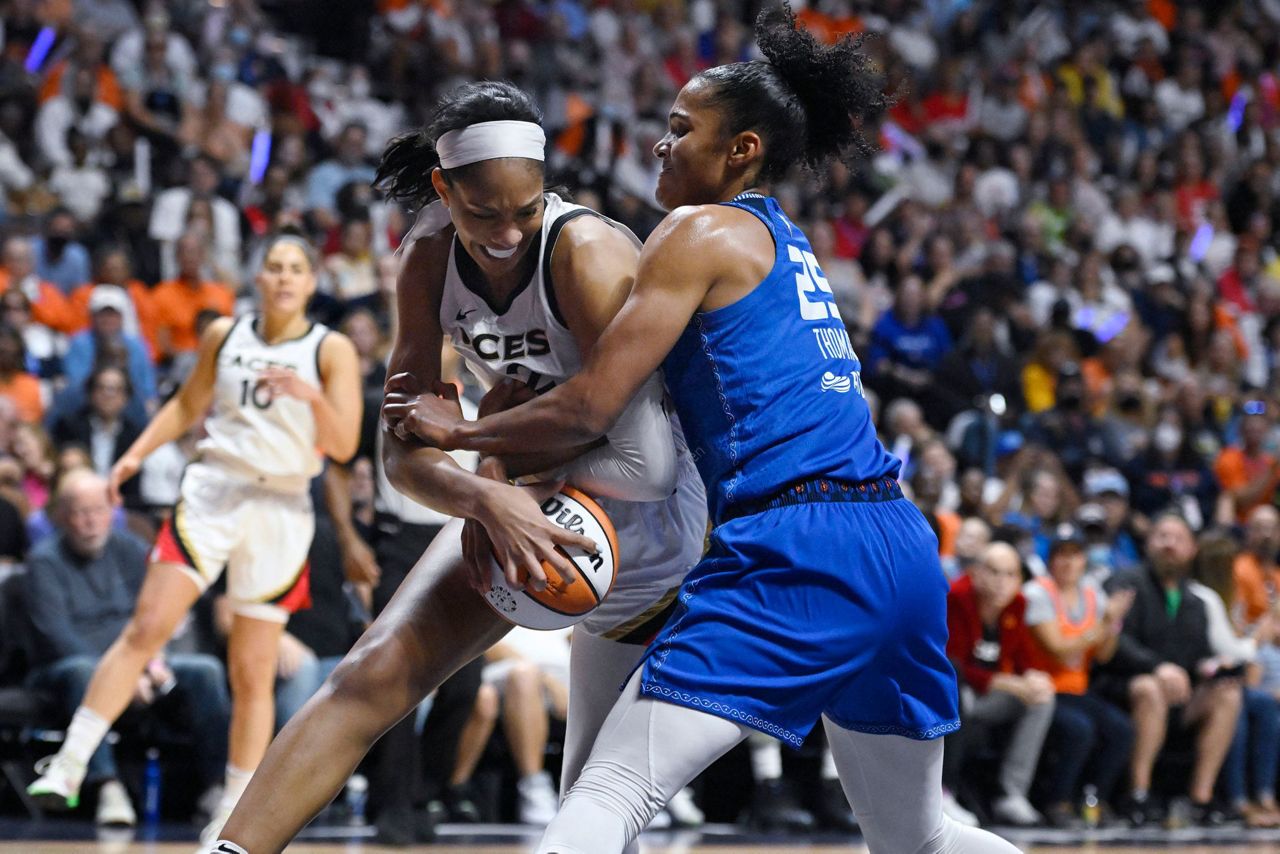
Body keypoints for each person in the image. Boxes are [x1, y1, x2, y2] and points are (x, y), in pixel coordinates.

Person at [387, 9, 1021, 854]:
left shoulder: (694, 230)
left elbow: (589, 410)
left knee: (607, 789)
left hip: (797, 540)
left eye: (681, 128)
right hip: (897, 543)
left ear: (741, 151)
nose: (660, 142)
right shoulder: (785, 241)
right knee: (923, 839)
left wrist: (455, 430)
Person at [207, 80, 707, 854]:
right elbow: (401, 454)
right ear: (443, 189)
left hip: (660, 524)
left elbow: (643, 464)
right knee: (373, 671)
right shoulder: (428, 254)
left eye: (525, 210)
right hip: (535, 502)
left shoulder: (586, 251)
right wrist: (485, 496)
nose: (506, 234)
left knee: (596, 799)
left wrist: (485, 438)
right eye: (483, 214)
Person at [26, 236, 363, 845]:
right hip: (214, 493)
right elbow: (186, 405)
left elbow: (342, 446)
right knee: (147, 626)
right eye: (274, 268)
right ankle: (71, 760)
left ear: (312, 283)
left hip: (281, 507)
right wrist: (133, 456)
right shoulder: (223, 336)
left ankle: (231, 816)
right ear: (256, 278)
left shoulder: (329, 349)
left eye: (296, 270)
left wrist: (309, 394)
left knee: (253, 671)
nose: (284, 278)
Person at [23, 468, 230, 827]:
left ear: (112, 512)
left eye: (98, 511)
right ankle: (107, 786)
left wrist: (150, 664)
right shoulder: (43, 562)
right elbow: (55, 637)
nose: (91, 522)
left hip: (141, 661)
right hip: (65, 668)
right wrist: (121, 674)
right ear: (62, 516)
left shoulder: (131, 549)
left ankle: (216, 787)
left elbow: (157, 613)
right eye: (80, 512)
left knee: (206, 671)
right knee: (83, 672)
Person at [1092, 513, 1243, 827]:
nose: (1169, 545)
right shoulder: (1126, 582)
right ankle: (1139, 794)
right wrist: (1157, 666)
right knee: (1150, 687)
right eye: (1162, 536)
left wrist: (1210, 667)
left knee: (1227, 695)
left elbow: (1198, 653)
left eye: (1178, 539)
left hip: (1179, 695)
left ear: (1192, 549)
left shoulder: (1196, 599)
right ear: (1148, 544)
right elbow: (1113, 641)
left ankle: (1200, 798)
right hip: (1123, 687)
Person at [1022, 524, 1134, 827]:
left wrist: (1112, 624)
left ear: (1084, 559)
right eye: (1062, 555)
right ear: (1051, 560)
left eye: (1075, 555)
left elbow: (1103, 654)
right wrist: (1104, 623)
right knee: (1078, 728)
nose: (1069, 562)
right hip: (1043, 688)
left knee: (1121, 727)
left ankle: (1095, 799)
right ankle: (1056, 801)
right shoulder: (1037, 592)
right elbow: (1059, 649)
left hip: (1078, 689)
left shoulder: (1091, 593)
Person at [944, 542, 1055, 828]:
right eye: (994, 572)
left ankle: (1011, 794)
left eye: (1010, 574)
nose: (1001, 582)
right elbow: (950, 662)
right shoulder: (956, 598)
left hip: (990, 696)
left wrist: (1033, 676)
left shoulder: (1017, 605)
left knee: (1041, 697)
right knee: (959, 695)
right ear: (976, 573)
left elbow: (1023, 657)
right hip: (958, 691)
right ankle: (945, 792)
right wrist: (1002, 681)